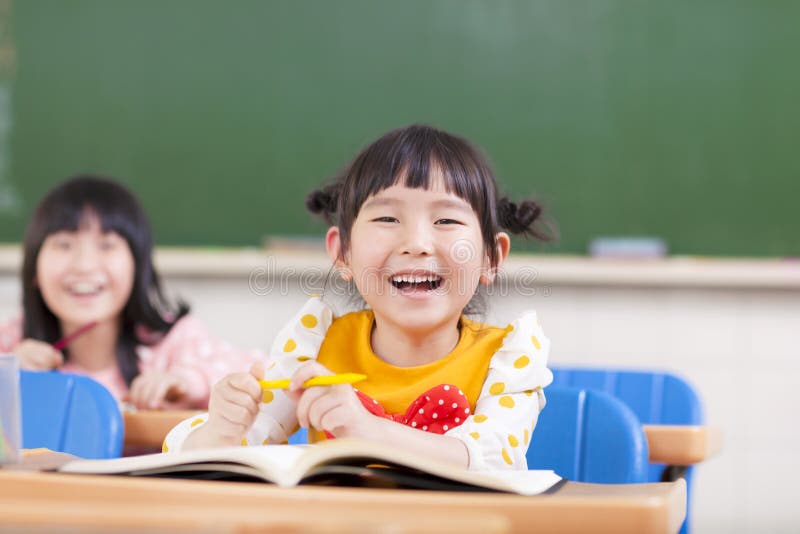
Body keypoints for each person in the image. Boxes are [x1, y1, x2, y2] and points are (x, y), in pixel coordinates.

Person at [165, 124, 554, 470]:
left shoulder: (511, 357)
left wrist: (368, 431)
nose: (416, 243)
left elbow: (493, 457)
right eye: (387, 219)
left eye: (446, 220)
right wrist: (222, 430)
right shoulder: (315, 346)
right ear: (342, 253)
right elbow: (224, 445)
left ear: (491, 257)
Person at [0, 176, 260, 409]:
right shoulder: (11, 343)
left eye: (107, 245)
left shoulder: (173, 340)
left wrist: (188, 382)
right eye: (64, 245)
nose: (84, 265)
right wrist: (7, 377)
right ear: (34, 268)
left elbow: (260, 374)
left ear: (138, 267)